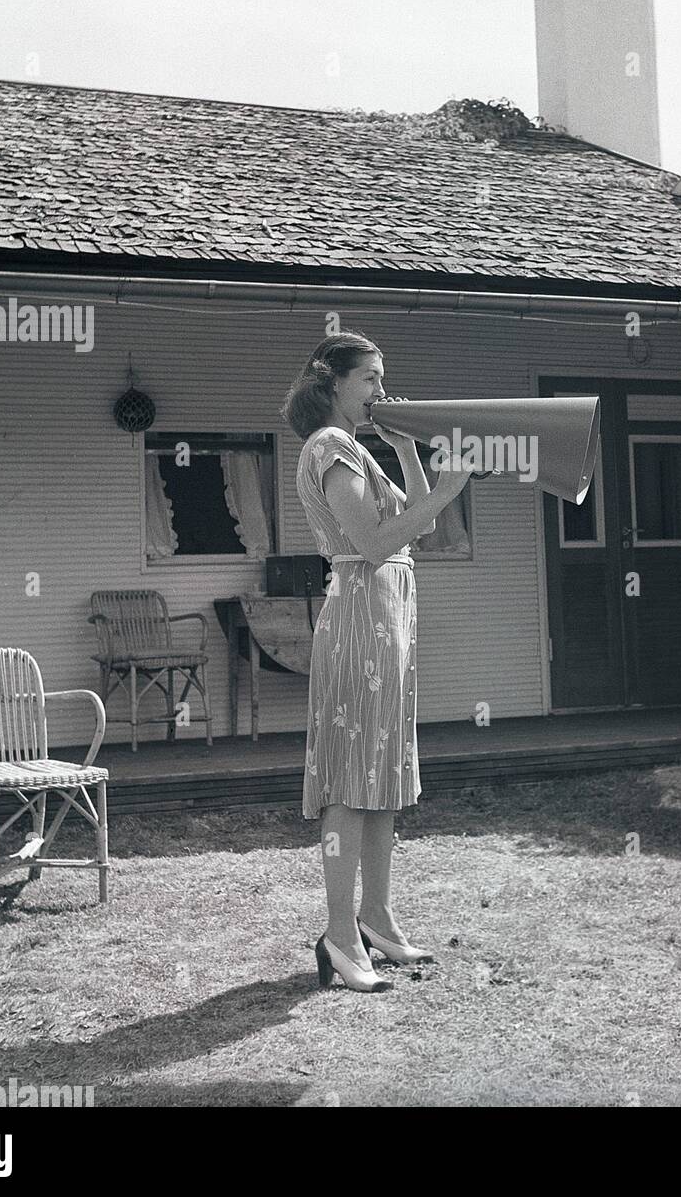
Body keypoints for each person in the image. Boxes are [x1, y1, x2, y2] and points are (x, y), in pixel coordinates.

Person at [282, 332, 471, 992]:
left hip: (387, 618)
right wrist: (446, 492)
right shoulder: (328, 448)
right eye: (368, 379)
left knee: (382, 782)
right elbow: (369, 541)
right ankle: (338, 937)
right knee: (350, 788)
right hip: (359, 618)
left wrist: (407, 452)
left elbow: (415, 527)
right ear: (330, 381)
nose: (379, 391)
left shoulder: (360, 448)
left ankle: (377, 921)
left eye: (382, 379)